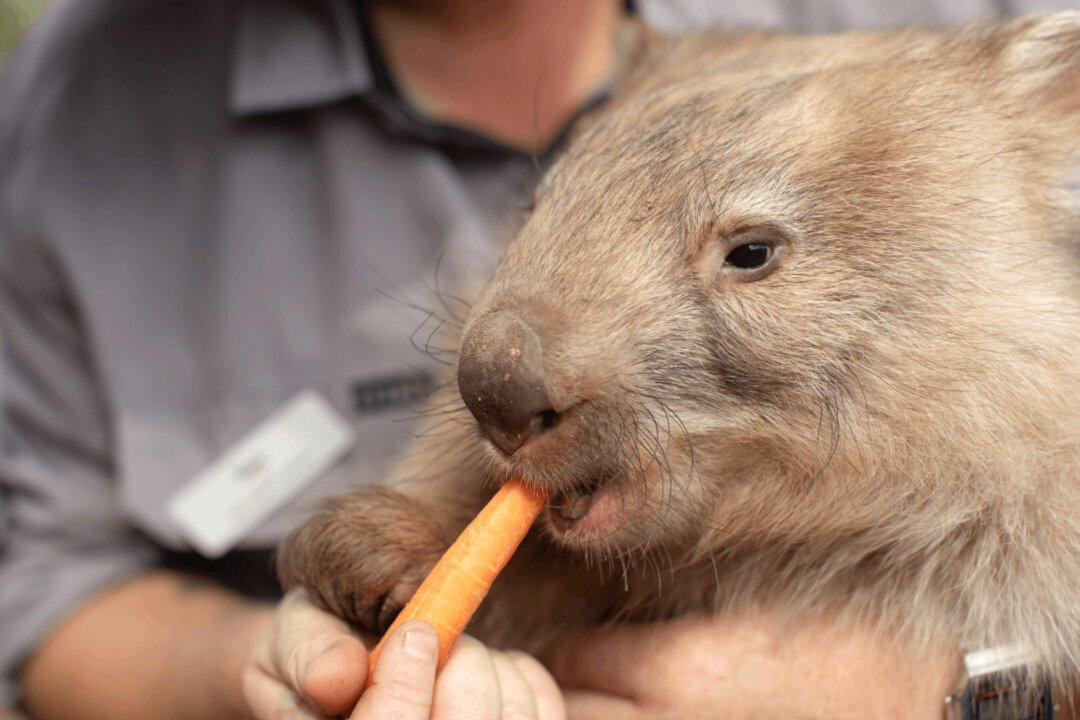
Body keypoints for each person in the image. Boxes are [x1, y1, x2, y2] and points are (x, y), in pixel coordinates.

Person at [0, 1, 1075, 719]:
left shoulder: (959, 61)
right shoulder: (89, 90)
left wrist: (984, 689)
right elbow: (45, 585)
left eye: (748, 255)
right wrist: (298, 658)